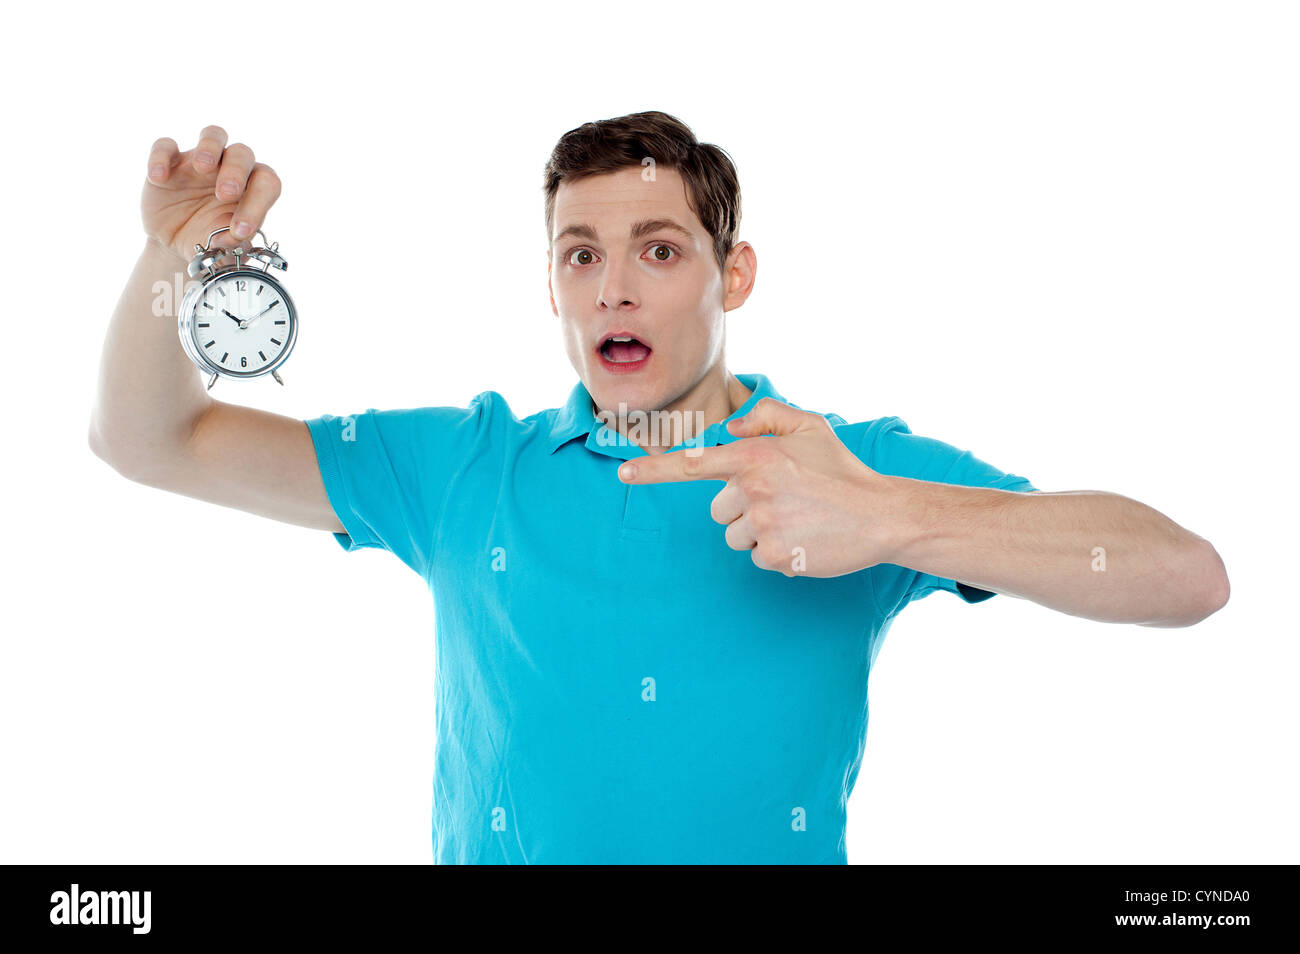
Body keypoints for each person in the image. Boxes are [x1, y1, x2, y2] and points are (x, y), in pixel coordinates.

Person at [89, 111, 1230, 864]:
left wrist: (888, 516)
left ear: (733, 273)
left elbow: (1181, 575)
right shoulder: (461, 466)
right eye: (580, 254)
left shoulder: (841, 461)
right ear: (550, 285)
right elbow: (149, 441)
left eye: (660, 249)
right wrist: (168, 261)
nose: (614, 290)